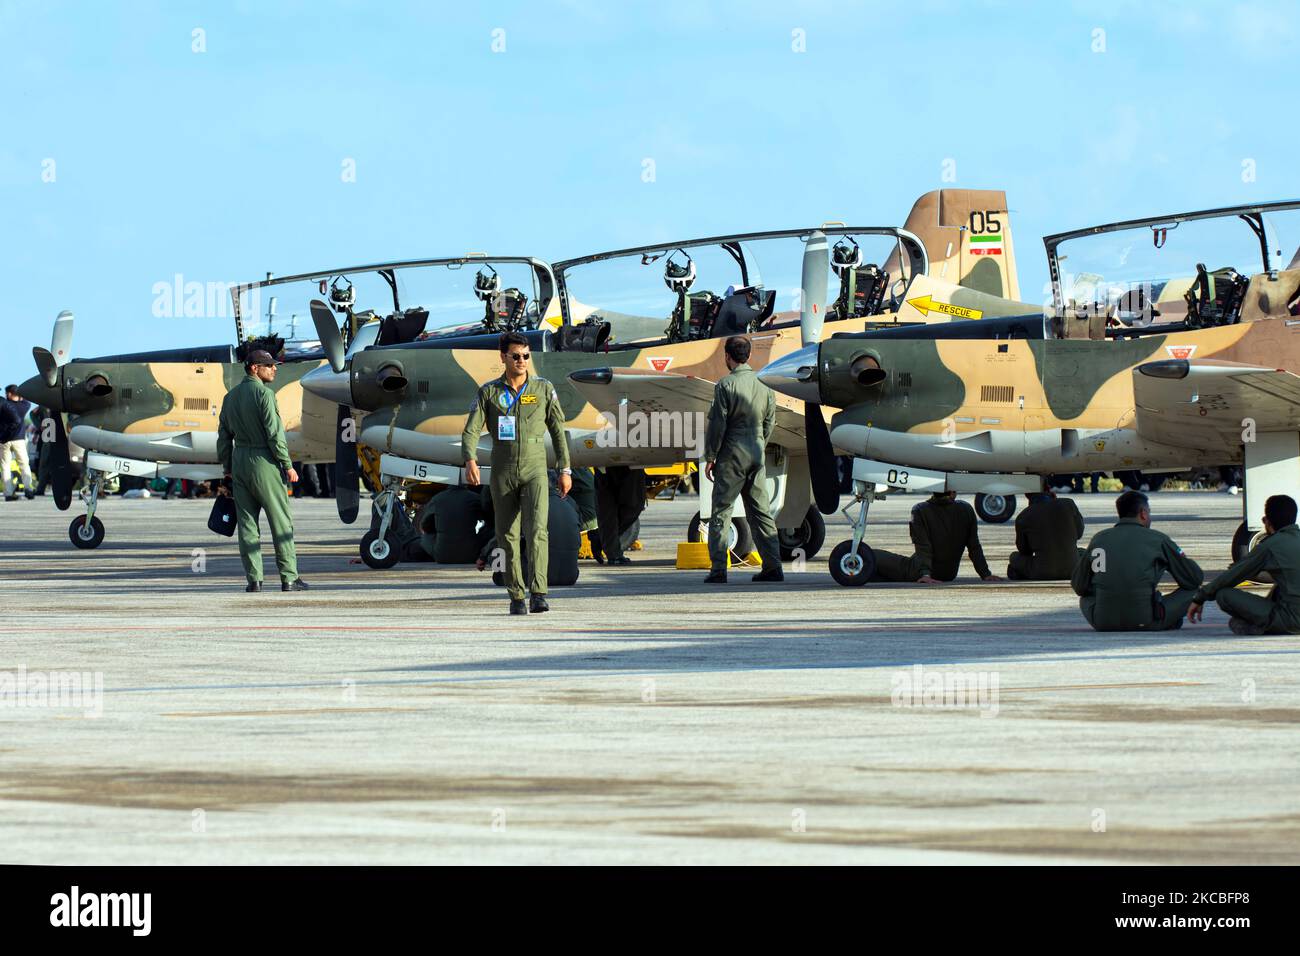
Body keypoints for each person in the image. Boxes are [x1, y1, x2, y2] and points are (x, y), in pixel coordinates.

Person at [462, 331, 572, 615]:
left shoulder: (543, 388)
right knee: (507, 535)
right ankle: (516, 596)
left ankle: (539, 593)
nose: (522, 361)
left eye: (526, 356)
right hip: (503, 467)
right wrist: (470, 460)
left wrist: (565, 468)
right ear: (503, 358)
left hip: (536, 467)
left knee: (537, 531)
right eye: (516, 356)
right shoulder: (489, 392)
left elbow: (558, 431)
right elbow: (472, 429)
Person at [217, 350, 308, 593]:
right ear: (254, 368)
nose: (274, 369)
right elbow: (274, 435)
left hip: (239, 463)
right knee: (281, 523)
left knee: (247, 525)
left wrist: (228, 468)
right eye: (269, 365)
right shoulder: (265, 395)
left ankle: (254, 580)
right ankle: (289, 578)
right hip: (264, 462)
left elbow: (223, 438)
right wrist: (287, 465)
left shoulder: (230, 397)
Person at [702, 336, 782, 583]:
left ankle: (718, 570)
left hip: (732, 456)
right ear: (748, 355)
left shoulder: (725, 385)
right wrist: (759, 445)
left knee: (722, 512)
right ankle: (773, 567)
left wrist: (711, 456)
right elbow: (770, 421)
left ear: (727, 356)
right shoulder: (764, 385)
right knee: (761, 512)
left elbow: (718, 425)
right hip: (756, 454)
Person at [1071, 490, 1201, 631]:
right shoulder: (1158, 539)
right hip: (1145, 620)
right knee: (1195, 592)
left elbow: (1079, 586)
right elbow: (1194, 579)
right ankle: (1163, 619)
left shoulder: (1099, 538)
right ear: (1143, 513)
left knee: (1085, 598)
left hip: (1103, 621)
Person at [1188, 494, 1300, 634]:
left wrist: (1200, 597)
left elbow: (1233, 576)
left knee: (1224, 595)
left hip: (1293, 620)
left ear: (1268, 522)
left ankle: (1264, 626)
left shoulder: (1271, 546)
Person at [872, 491, 1002, 583]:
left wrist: (925, 574)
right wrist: (985, 574)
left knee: (872, 555)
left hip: (920, 570)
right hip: (948, 573)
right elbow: (974, 546)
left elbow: (923, 546)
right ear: (952, 492)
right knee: (876, 576)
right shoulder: (966, 509)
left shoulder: (921, 510)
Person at [1007, 490, 1085, 580]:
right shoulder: (1068, 504)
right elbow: (1079, 533)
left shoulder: (1023, 516)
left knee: (1014, 556)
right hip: (1073, 569)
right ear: (1052, 494)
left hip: (1041, 572)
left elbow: (1024, 550)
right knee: (1083, 552)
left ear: (1028, 497)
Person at [594, 465, 645, 565]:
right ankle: (613, 554)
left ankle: (601, 537)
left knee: (634, 505)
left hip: (631, 460)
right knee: (608, 509)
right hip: (606, 462)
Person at [1, 385, 34, 502]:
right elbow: (28, 401)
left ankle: (9, 493)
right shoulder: (24, 406)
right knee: (24, 464)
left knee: (5, 466)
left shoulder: (4, 405)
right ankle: (28, 489)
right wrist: (21, 395)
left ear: (9, 394)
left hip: (4, 440)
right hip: (19, 439)